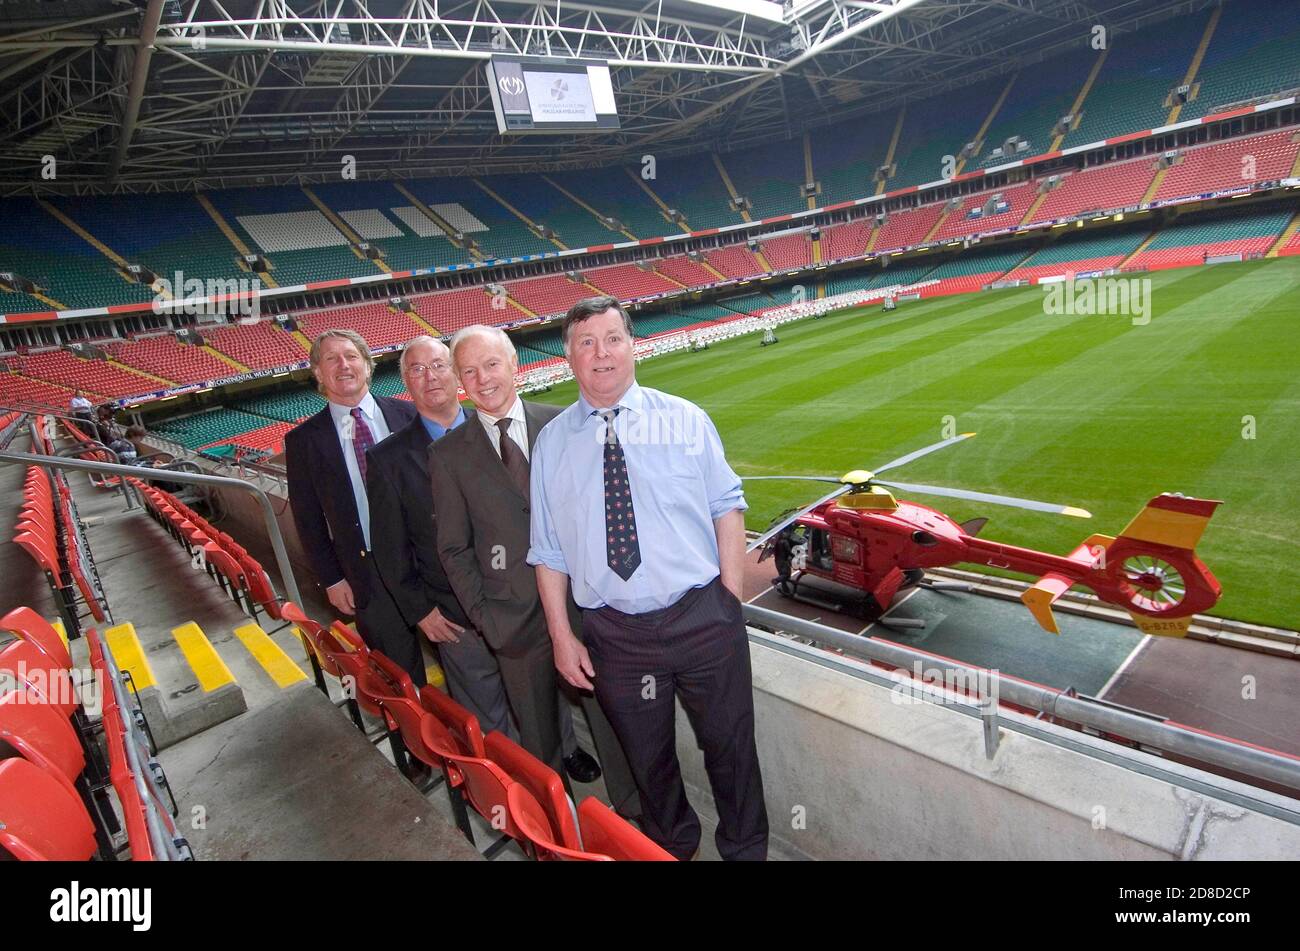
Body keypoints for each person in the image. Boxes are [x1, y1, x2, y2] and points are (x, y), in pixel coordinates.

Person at [528, 295, 768, 861]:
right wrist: (563, 637)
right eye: (586, 343)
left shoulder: (684, 418)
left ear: (633, 345)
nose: (601, 353)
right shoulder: (552, 443)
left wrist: (729, 602)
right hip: (616, 635)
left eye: (612, 339)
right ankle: (673, 848)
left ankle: (746, 850)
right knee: (647, 760)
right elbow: (547, 550)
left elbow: (727, 506)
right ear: (568, 358)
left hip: (703, 617)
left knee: (731, 750)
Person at [428, 324, 636, 800]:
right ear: (460, 380)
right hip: (514, 626)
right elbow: (453, 549)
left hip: (587, 609)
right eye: (469, 371)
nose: (482, 379)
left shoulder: (567, 424)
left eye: (492, 365)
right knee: (540, 746)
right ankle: (555, 836)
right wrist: (488, 620)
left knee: (614, 724)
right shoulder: (446, 455)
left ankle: (635, 816)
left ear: (515, 365)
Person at [366, 336, 515, 737]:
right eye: (416, 369)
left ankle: (564, 754)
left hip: (520, 601)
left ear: (455, 373)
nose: (429, 376)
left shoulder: (500, 429)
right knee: (489, 719)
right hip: (453, 614)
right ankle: (514, 789)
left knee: (538, 696)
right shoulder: (387, 459)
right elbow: (389, 547)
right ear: (406, 384)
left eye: (438, 365)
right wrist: (420, 611)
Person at [285, 329, 425, 684]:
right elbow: (308, 518)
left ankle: (471, 735)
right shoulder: (303, 441)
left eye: (351, 356)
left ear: (367, 364)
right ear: (318, 372)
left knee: (458, 657)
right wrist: (331, 577)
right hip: (367, 573)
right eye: (331, 359)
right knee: (400, 676)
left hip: (426, 558)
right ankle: (421, 736)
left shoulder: (409, 415)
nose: (343, 365)